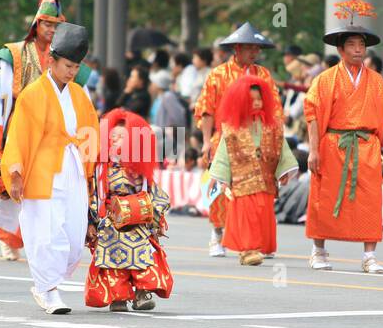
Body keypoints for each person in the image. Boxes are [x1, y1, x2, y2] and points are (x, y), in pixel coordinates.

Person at [1, 22, 99, 314]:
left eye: (76, 67)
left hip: (74, 169)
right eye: (68, 65)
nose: (72, 72)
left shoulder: (80, 94)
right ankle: (47, 290)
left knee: (73, 235)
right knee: (46, 232)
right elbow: (20, 133)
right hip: (42, 171)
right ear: (51, 60)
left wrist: (91, 170)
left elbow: (90, 130)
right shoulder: (33, 94)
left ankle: (50, 283)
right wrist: (16, 174)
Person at [0, 0, 67, 261]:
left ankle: (38, 240)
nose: (50, 29)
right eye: (46, 24)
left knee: (45, 186)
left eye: (55, 25)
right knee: (6, 185)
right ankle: (7, 238)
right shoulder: (13, 54)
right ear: (36, 24)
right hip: (17, 128)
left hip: (49, 132)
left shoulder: (63, 59)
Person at [304, 24, 383, 273]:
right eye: (352, 45)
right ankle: (318, 251)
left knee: (370, 199)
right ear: (340, 49)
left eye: (361, 45)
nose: (358, 50)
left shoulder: (377, 82)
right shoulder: (324, 79)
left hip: (367, 146)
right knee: (324, 197)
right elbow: (312, 114)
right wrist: (314, 150)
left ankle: (369, 256)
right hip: (333, 145)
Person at [193, 22, 278, 257]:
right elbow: (207, 110)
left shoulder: (263, 75)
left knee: (256, 191)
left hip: (258, 139)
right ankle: (217, 234)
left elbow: (274, 110)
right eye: (250, 48)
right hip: (226, 138)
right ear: (237, 48)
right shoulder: (218, 74)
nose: (255, 52)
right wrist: (206, 142)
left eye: (257, 48)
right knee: (221, 186)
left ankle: (255, 241)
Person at [85, 108, 173, 312]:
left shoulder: (139, 171)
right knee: (112, 262)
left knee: (143, 258)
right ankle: (119, 298)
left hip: (138, 224)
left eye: (122, 138)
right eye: (113, 137)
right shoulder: (100, 170)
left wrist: (155, 218)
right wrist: (91, 222)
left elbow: (156, 196)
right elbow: (92, 197)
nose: (116, 141)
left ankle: (142, 293)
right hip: (110, 224)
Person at [209, 75, 298, 265]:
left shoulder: (272, 126)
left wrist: (283, 171)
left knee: (262, 212)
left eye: (259, 99)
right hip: (242, 180)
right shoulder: (232, 127)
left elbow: (281, 148)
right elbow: (224, 154)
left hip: (265, 179)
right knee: (245, 215)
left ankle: (253, 249)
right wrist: (223, 178)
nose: (257, 103)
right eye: (252, 100)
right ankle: (248, 250)